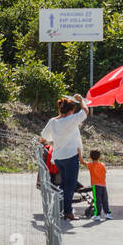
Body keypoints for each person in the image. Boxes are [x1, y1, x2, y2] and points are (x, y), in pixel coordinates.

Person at [39, 94, 87, 222]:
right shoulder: (71, 120)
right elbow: (85, 111)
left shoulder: (53, 121)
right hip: (71, 156)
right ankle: (68, 212)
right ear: (71, 111)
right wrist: (81, 100)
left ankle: (60, 209)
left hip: (58, 157)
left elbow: (43, 137)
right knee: (70, 185)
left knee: (63, 184)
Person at [81, 149, 111, 220]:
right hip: (103, 185)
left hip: (95, 185)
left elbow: (82, 162)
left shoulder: (91, 165)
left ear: (90, 157)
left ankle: (97, 215)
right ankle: (108, 214)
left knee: (97, 200)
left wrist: (79, 152)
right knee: (105, 200)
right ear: (99, 157)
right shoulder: (102, 165)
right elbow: (104, 175)